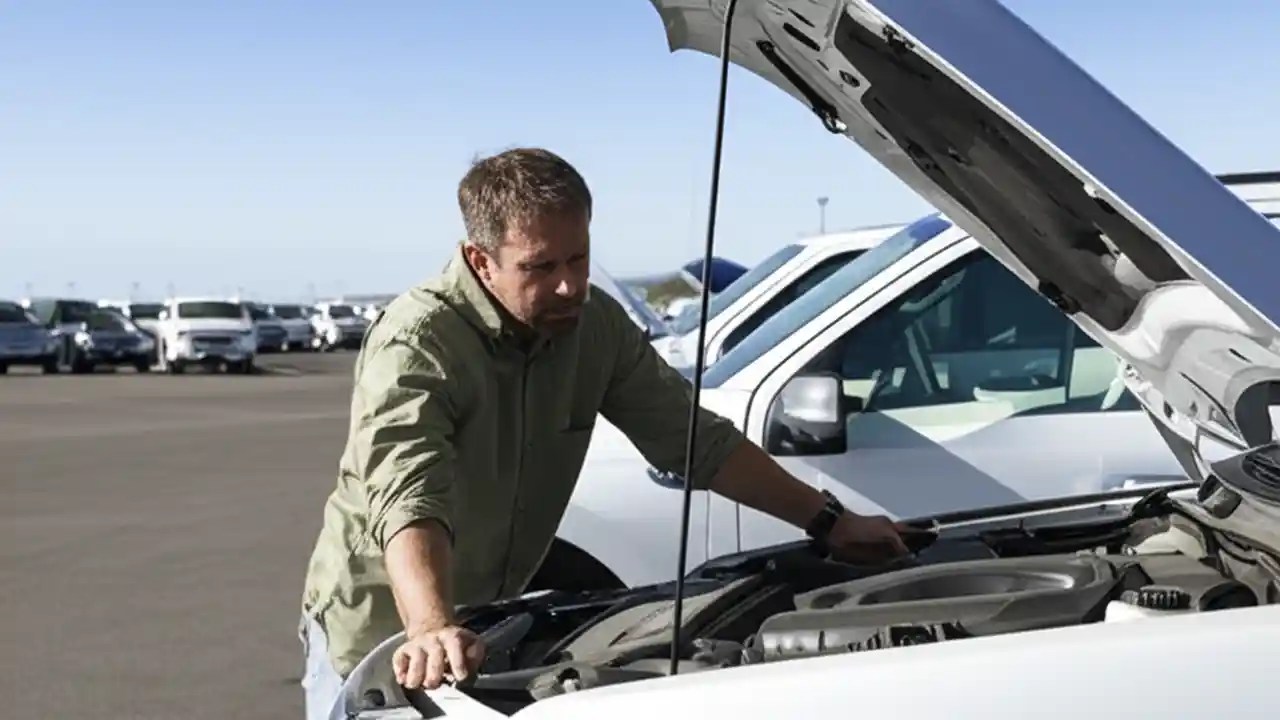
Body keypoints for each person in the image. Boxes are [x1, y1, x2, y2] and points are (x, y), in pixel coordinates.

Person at [298, 147, 909, 718]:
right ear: (481, 261)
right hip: (378, 631)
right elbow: (409, 492)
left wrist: (829, 523)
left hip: (482, 621)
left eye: (579, 259)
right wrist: (429, 624)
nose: (568, 285)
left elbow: (695, 440)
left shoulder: (595, 327)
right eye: (540, 267)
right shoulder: (418, 341)